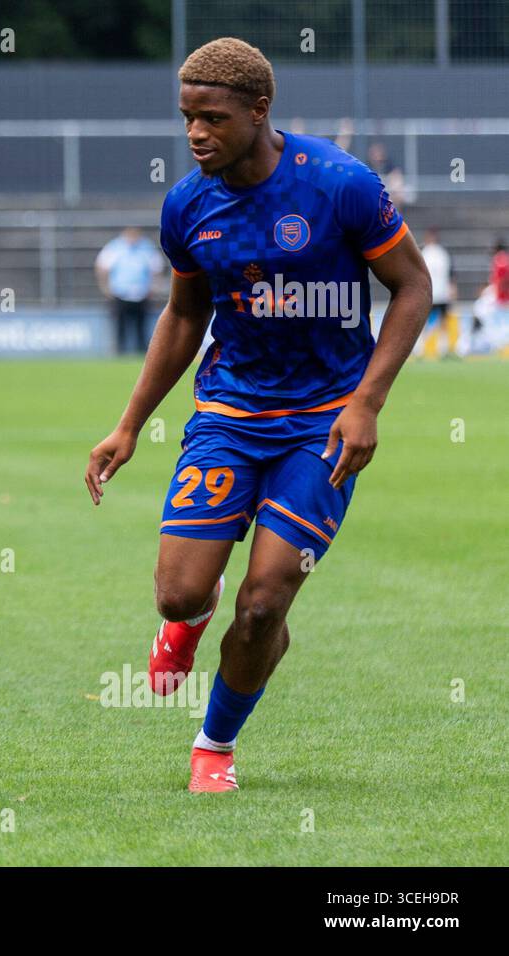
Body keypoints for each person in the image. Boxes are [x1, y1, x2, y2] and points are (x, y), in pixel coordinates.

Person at [84, 38, 430, 794]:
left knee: (266, 599)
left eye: (211, 117)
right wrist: (130, 422)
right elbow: (182, 315)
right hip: (229, 415)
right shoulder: (188, 204)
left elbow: (413, 287)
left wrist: (367, 402)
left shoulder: (341, 185)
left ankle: (214, 745)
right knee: (179, 592)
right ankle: (185, 622)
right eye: (186, 119)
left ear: (259, 110)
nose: (195, 134)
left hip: (323, 425)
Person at [94, 225, 163, 354]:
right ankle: (120, 352)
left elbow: (156, 269)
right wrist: (106, 288)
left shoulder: (146, 248)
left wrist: (154, 288)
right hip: (120, 293)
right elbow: (102, 268)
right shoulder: (114, 247)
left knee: (141, 327)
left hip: (142, 294)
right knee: (120, 327)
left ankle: (142, 353)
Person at [418, 229, 458, 359]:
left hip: (431, 292)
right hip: (440, 292)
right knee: (441, 322)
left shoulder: (424, 253)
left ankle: (421, 349)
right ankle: (441, 348)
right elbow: (451, 273)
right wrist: (452, 289)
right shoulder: (442, 253)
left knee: (426, 321)